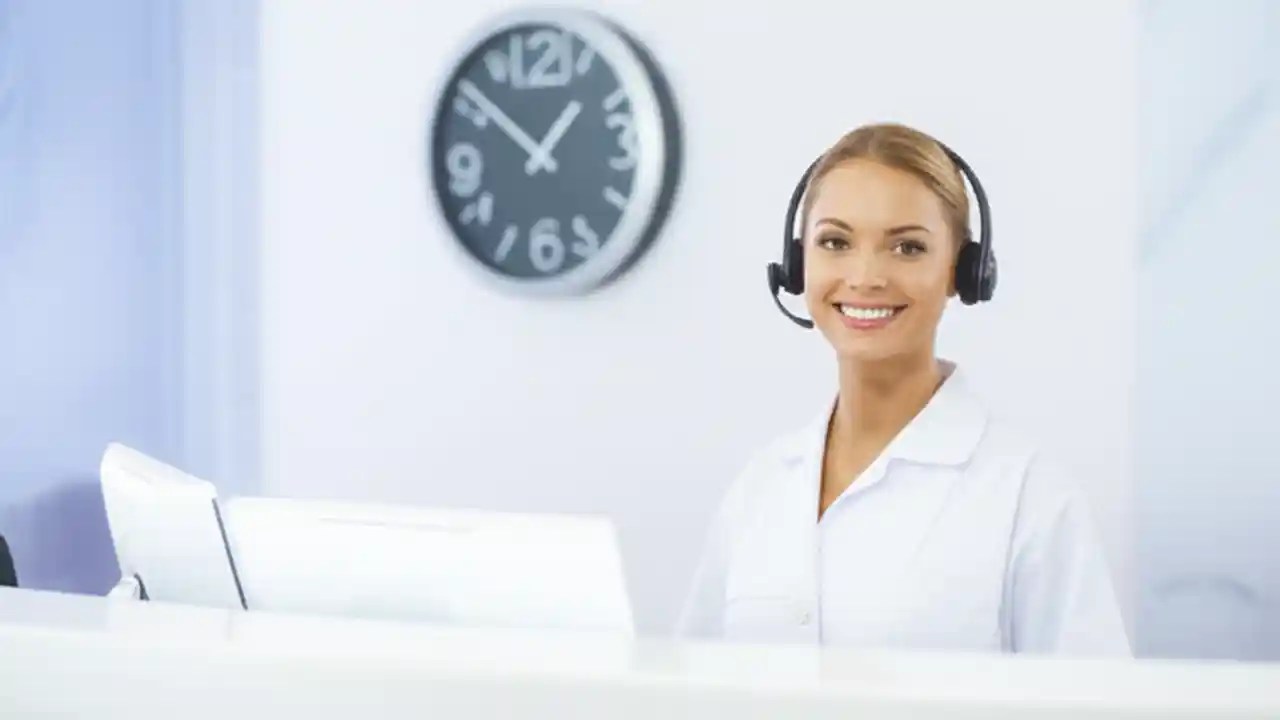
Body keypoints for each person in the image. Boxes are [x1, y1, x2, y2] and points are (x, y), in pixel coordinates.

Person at [676, 123, 1130, 656]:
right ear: (798, 265)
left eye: (907, 247)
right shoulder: (762, 486)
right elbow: (694, 689)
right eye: (835, 242)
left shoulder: (1029, 496)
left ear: (964, 272)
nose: (866, 276)